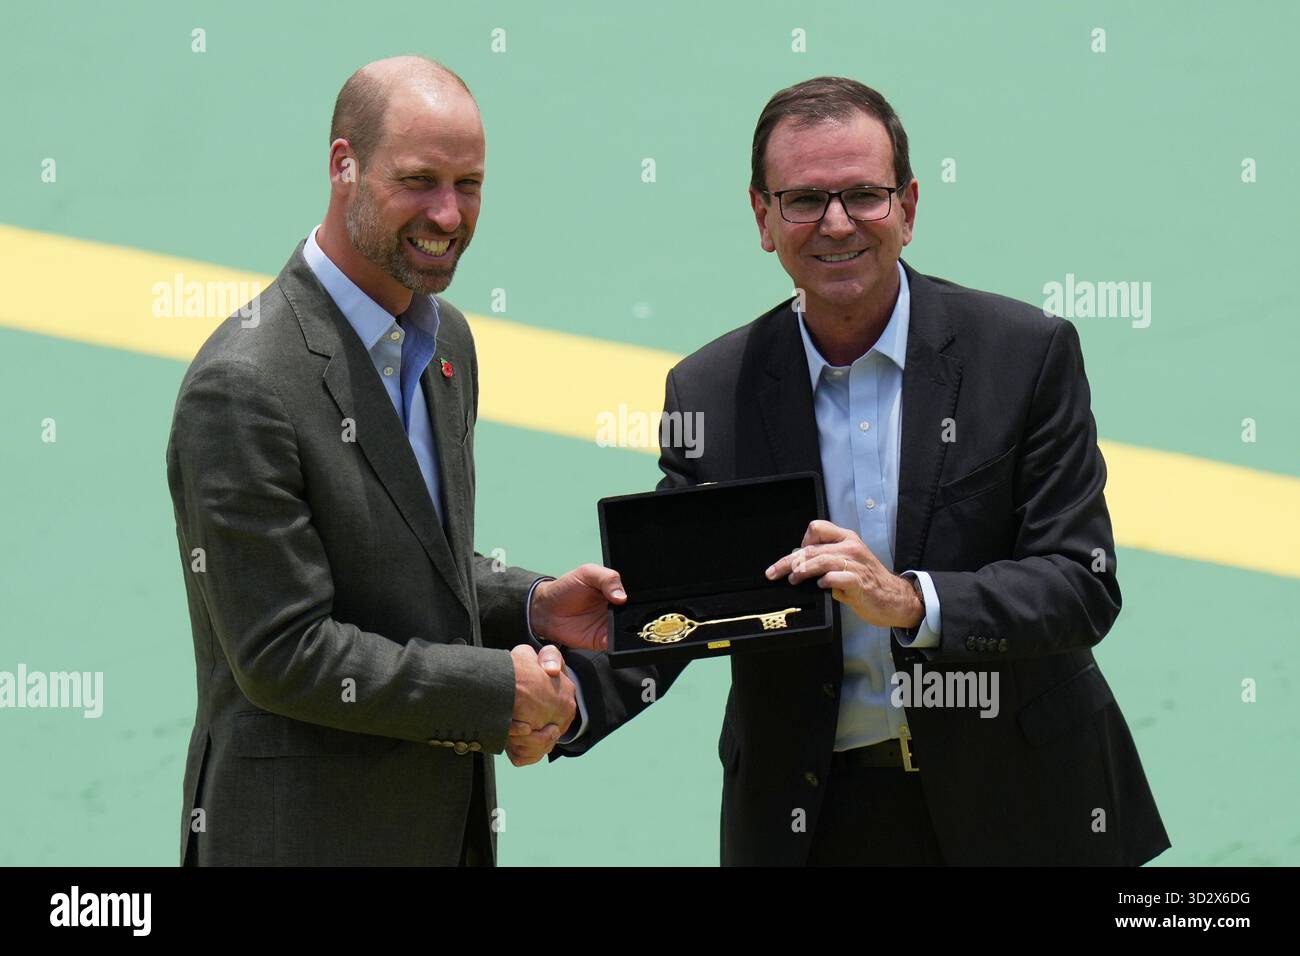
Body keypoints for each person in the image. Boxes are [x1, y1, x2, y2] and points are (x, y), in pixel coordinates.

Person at [553, 76, 1170, 866]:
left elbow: (1080, 583)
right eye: (804, 199)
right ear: (762, 218)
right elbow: (684, 606)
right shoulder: (709, 391)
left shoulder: (1025, 355)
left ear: (908, 208)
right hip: (813, 822)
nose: (836, 223)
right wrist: (566, 701)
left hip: (1026, 806)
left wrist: (911, 600)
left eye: (864, 196)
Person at [165, 55, 623, 867]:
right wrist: (498, 690)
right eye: (419, 181)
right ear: (343, 166)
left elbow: (409, 557)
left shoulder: (447, 340)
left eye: (469, 184)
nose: (448, 214)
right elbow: (284, 652)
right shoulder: (240, 385)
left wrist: (533, 607)